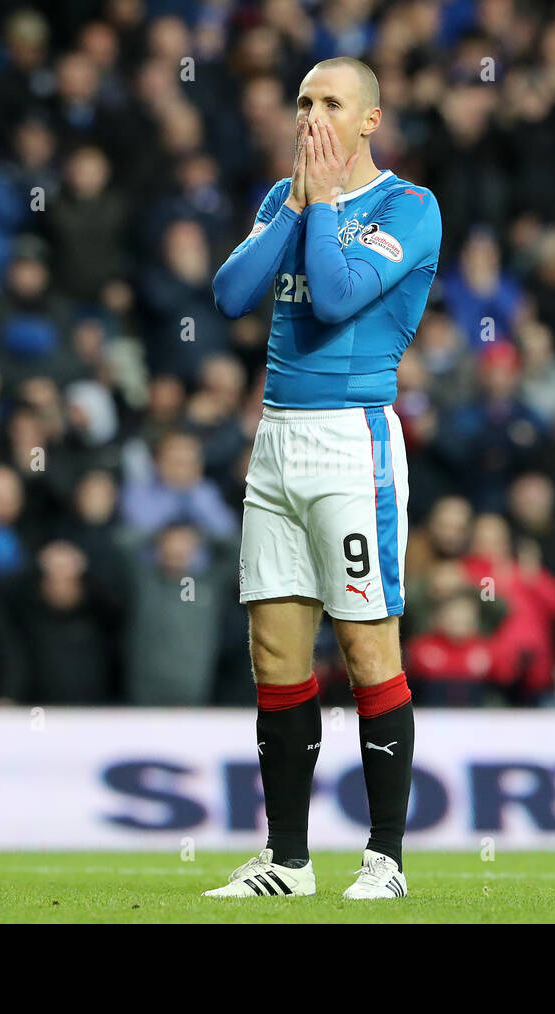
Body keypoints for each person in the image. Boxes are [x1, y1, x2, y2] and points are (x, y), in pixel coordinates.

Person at [206, 57, 441, 900]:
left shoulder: (410, 209)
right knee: (274, 651)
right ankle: (288, 862)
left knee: (366, 646)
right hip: (276, 439)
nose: (311, 117)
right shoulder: (284, 197)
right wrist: (299, 206)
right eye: (303, 101)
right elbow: (231, 294)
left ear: (369, 120)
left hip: (353, 442)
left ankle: (385, 860)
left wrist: (325, 204)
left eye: (330, 103)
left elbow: (338, 298)